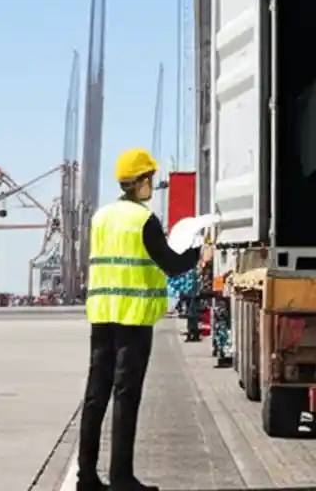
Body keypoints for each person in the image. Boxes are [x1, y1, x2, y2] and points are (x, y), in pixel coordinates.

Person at [76, 147, 212, 491]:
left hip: (102, 314)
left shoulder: (101, 217)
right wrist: (200, 253)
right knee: (126, 396)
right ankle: (121, 477)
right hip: (134, 319)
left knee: (95, 395)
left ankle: (86, 477)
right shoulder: (143, 219)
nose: (152, 184)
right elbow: (171, 264)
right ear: (139, 181)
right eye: (149, 178)